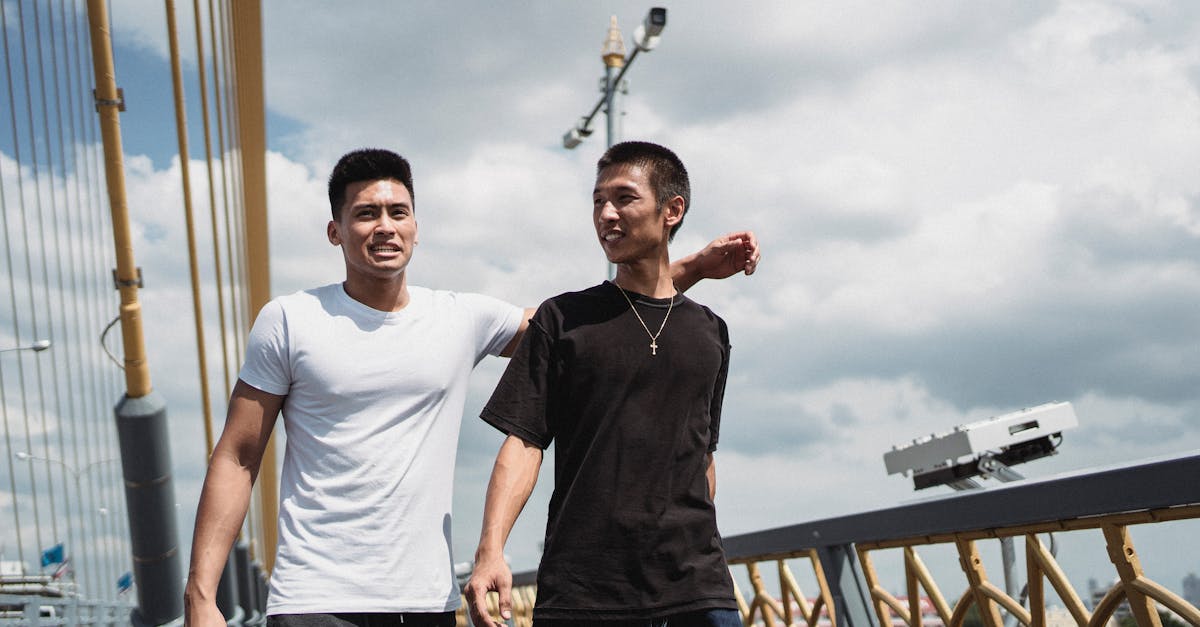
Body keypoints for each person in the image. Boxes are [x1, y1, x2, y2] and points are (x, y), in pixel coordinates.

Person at [183, 148, 759, 627]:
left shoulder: (460, 317)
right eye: (365, 214)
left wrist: (691, 267)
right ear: (335, 231)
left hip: (429, 599)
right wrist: (201, 598)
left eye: (397, 211)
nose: (384, 225)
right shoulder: (289, 319)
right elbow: (237, 455)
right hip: (317, 598)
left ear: (415, 227)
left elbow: (591, 326)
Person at [465, 141, 743, 627]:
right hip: (584, 592)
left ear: (671, 210)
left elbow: (703, 456)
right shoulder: (563, 318)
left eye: (624, 198)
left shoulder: (710, 332)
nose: (606, 214)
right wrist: (491, 550)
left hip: (697, 591)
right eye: (597, 201)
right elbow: (524, 443)